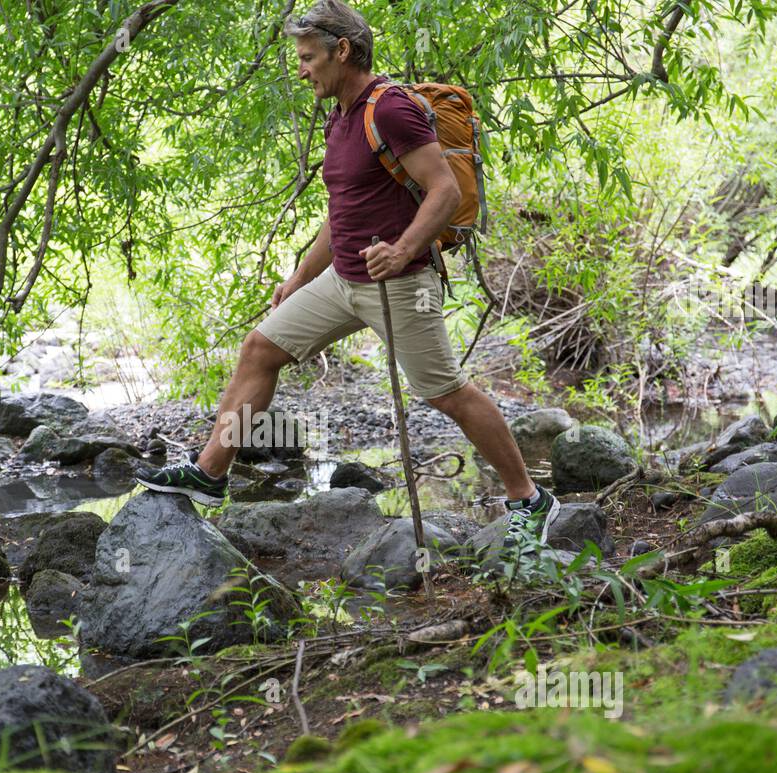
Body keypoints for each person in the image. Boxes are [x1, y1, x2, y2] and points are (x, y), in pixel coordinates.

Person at [136, 0, 559, 550]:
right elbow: (343, 213)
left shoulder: (390, 110)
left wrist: (405, 247)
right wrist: (299, 277)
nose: (302, 68)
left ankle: (528, 497)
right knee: (260, 350)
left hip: (404, 285)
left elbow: (445, 191)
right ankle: (209, 473)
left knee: (445, 391)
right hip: (343, 281)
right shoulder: (341, 114)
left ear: (343, 51)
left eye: (309, 57)